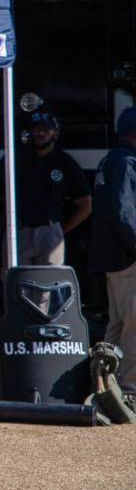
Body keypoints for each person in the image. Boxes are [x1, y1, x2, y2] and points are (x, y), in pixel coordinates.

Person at [0, 112, 91, 265]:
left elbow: (85, 205)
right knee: (16, 283)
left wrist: (60, 229)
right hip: (19, 232)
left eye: (46, 129)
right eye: (36, 129)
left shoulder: (65, 162)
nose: (41, 133)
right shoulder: (15, 159)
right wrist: (4, 224)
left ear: (56, 133)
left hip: (50, 233)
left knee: (48, 284)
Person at [89, 107, 136, 402]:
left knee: (117, 324)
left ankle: (105, 384)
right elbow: (125, 212)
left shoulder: (110, 160)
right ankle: (130, 387)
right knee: (133, 323)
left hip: (112, 259)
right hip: (128, 258)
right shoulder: (128, 162)